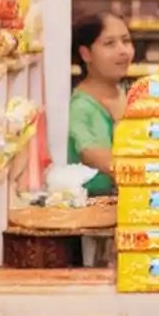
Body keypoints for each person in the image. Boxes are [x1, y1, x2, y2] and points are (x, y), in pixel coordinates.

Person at [67, 12, 133, 195]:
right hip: (94, 210)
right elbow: (112, 166)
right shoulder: (80, 108)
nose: (123, 51)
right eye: (109, 44)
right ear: (86, 53)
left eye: (126, 41)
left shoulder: (130, 95)